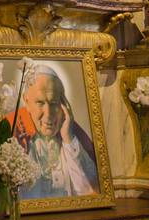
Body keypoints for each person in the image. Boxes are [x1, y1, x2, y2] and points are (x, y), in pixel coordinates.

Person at [12, 62, 99, 199]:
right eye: (40, 103)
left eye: (54, 103)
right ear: (26, 102)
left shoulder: (71, 136)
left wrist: (68, 139)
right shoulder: (15, 137)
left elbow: (89, 193)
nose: (48, 114)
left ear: (63, 105)